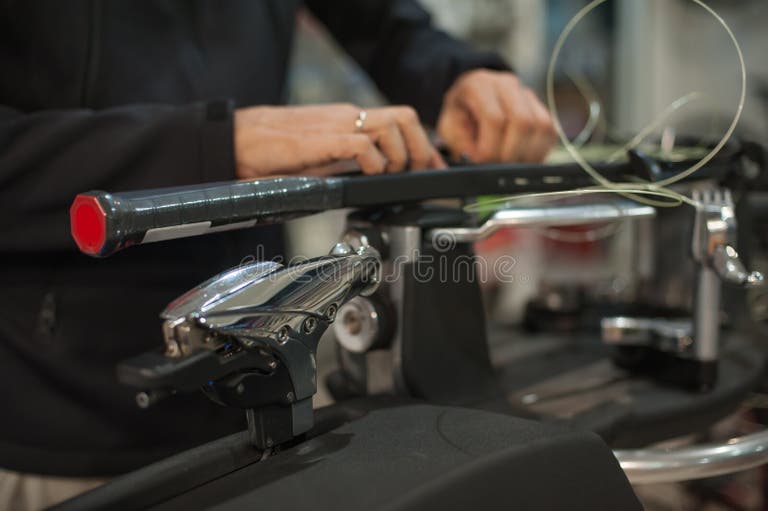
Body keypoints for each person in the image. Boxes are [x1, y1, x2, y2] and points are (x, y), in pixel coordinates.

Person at [0, 0, 555, 507]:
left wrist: (458, 75)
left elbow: (381, 22)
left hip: (265, 405)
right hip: (73, 429)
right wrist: (224, 142)